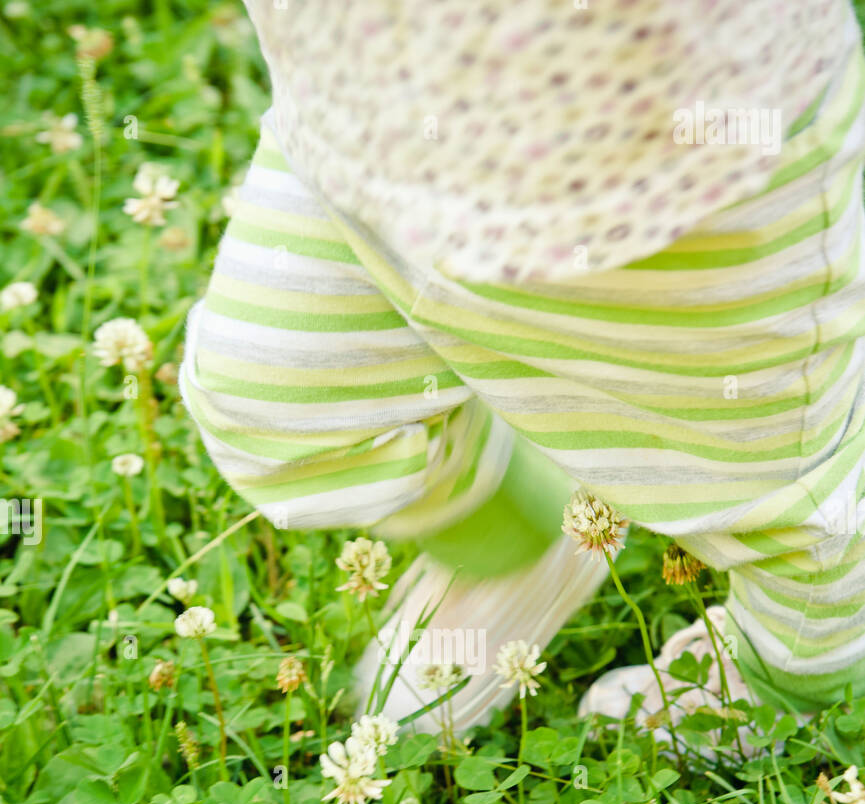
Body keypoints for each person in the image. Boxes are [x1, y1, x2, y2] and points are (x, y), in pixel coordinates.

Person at [181, 0, 865, 734]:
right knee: (268, 390)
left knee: (776, 495)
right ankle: (516, 524)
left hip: (674, 188)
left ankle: (792, 682)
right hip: (363, 132)